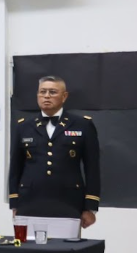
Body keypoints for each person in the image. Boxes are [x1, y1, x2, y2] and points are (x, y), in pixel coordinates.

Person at [8, 75, 100, 229]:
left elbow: (92, 169)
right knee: (28, 250)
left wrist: (90, 207)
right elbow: (15, 167)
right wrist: (14, 202)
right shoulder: (23, 126)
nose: (46, 96)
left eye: (52, 92)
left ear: (64, 96)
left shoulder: (82, 125)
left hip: (68, 201)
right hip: (30, 200)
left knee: (66, 250)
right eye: (42, 92)